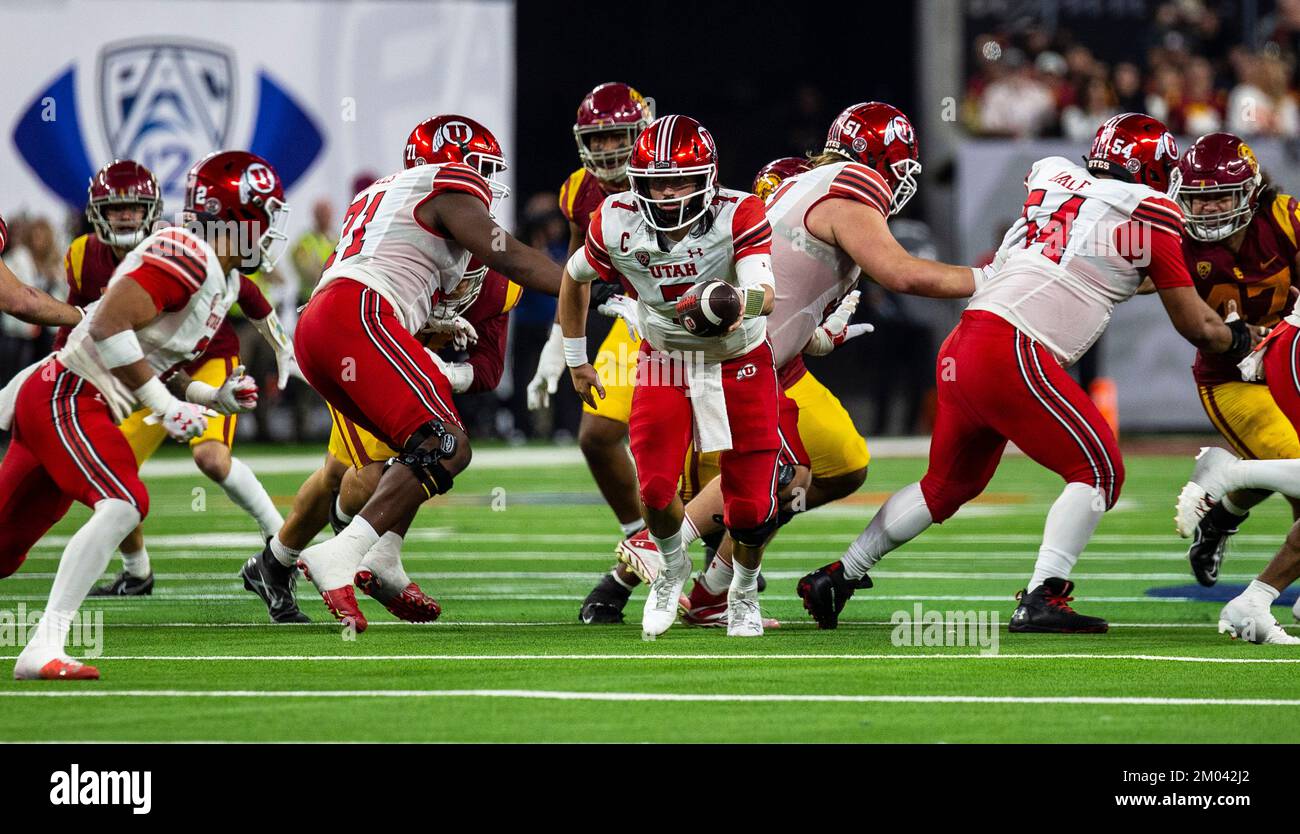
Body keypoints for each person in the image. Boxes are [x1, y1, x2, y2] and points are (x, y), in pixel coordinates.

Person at [799, 113, 1252, 633]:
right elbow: (1194, 324)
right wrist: (1238, 337)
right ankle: (1044, 595)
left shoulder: (1058, 183)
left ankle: (840, 575)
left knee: (945, 486)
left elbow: (1106, 261)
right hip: (1013, 347)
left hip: (964, 344)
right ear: (1155, 172)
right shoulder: (1151, 215)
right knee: (1100, 471)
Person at [0, 150, 285, 679]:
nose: (270, 234)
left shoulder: (218, 281)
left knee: (4, 549)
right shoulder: (187, 253)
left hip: (69, 399)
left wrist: (208, 398)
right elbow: (106, 325)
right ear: (240, 218)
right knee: (125, 501)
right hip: (67, 394)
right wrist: (163, 406)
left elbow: (151, 359)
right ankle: (43, 646)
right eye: (266, 218)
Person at [282, 114, 561, 631]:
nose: (484, 186)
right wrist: (588, 280)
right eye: (477, 169)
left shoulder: (389, 194)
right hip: (358, 313)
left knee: (419, 448)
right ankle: (338, 555)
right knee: (447, 444)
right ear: (455, 166)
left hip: (324, 326)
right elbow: (515, 258)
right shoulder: (445, 185)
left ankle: (381, 557)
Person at [559, 114, 784, 638]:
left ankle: (742, 592)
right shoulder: (614, 218)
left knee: (750, 504)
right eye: (655, 182)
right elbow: (573, 279)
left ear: (708, 178)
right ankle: (669, 568)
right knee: (657, 488)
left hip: (739, 360)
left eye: (679, 180)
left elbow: (766, 295)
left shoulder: (739, 212)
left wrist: (727, 299)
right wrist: (574, 357)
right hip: (665, 359)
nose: (665, 194)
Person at [525, 82, 657, 624]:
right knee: (599, 434)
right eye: (596, 139)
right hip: (632, 319)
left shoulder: (667, 167)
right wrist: (560, 349)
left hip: (688, 315)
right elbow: (577, 271)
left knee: (698, 448)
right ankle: (638, 537)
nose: (606, 150)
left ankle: (724, 552)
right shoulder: (579, 188)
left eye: (616, 136)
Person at [1175, 133, 1300, 587]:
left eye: (1219, 196)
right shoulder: (1177, 241)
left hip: (1292, 369)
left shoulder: (1284, 219)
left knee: (1282, 468)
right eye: (1197, 199)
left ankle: (1222, 512)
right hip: (1232, 379)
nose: (1206, 209)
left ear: (1249, 190)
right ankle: (1262, 597)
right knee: (1296, 463)